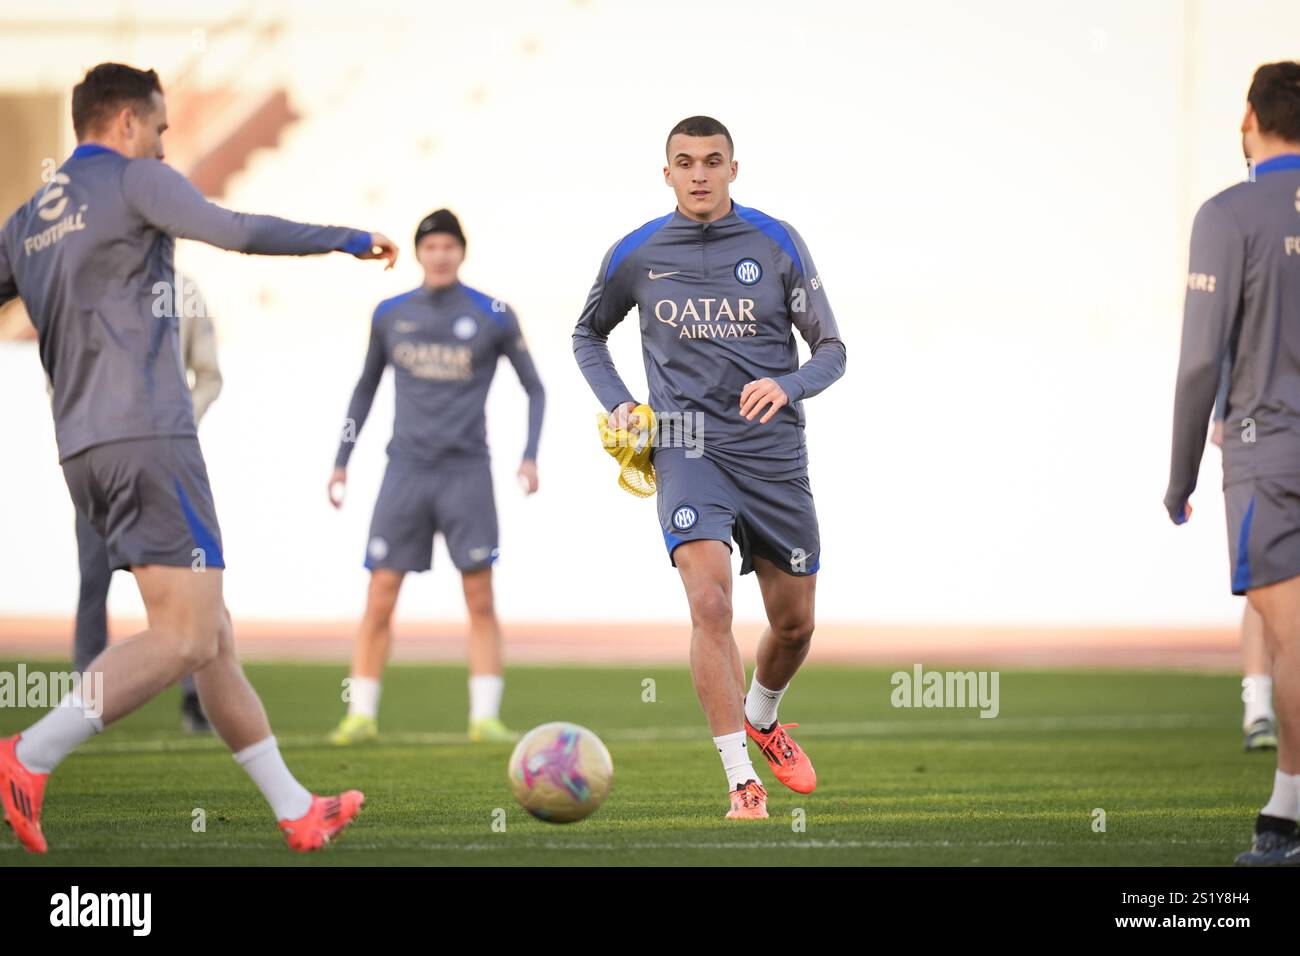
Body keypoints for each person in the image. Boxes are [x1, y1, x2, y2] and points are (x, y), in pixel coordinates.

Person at [0, 62, 398, 853]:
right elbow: (236, 230)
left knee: (211, 635)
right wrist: (345, 239)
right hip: (150, 432)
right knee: (183, 638)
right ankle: (27, 756)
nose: (162, 143)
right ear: (123, 124)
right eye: (158, 128)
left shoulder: (27, 219)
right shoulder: (134, 180)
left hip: (81, 446)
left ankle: (296, 810)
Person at [573, 116, 845, 819]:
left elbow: (832, 349)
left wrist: (791, 384)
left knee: (794, 626)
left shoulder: (775, 241)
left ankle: (763, 713)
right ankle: (740, 780)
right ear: (666, 173)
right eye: (685, 162)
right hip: (685, 444)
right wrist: (621, 403)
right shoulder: (636, 253)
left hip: (772, 451)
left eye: (712, 161)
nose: (699, 173)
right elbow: (587, 334)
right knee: (710, 603)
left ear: (733, 169)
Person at [327, 209, 544, 745]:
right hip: (405, 471)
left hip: (466, 472)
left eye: (449, 246)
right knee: (380, 592)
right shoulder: (390, 313)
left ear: (461, 252)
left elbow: (535, 387)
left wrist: (529, 454)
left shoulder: (493, 314)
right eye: (431, 246)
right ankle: (361, 713)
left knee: (480, 596)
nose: (440, 255)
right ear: (419, 253)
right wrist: (341, 460)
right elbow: (364, 388)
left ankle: (485, 716)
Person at [1165, 61, 1300, 865]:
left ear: (1249, 121)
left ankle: (1284, 822)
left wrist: (1180, 477)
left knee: (1291, 635)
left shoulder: (1229, 212)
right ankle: (1283, 813)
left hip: (1270, 455)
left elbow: (1197, 364)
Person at [71, 275, 223, 733]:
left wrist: (174, 428)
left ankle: (197, 700)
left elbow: (209, 375)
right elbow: (62, 374)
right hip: (102, 460)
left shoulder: (185, 292)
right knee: (94, 579)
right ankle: (84, 701)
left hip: (165, 466)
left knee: (189, 585)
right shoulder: (88, 289)